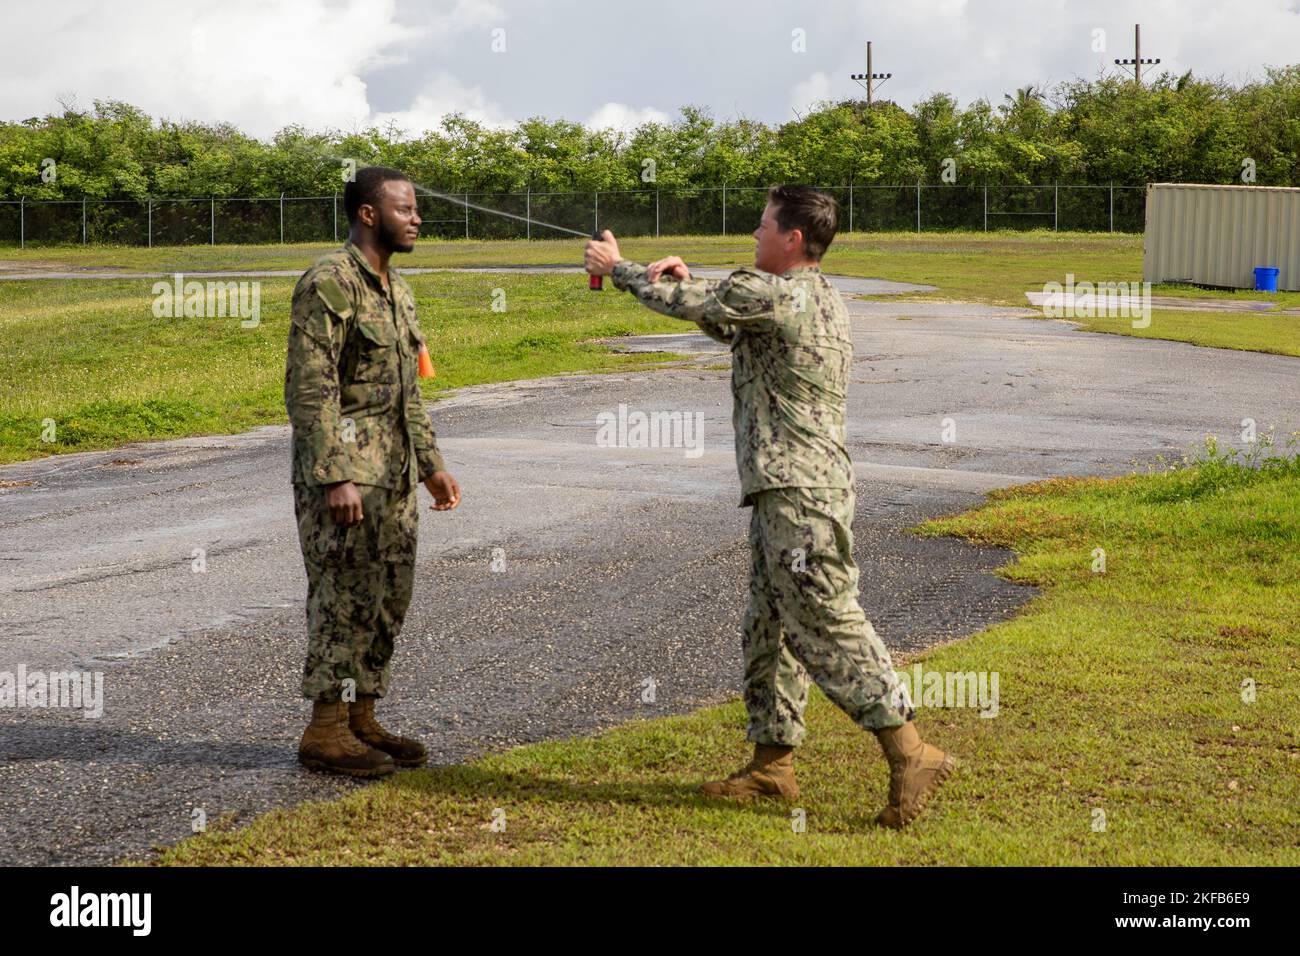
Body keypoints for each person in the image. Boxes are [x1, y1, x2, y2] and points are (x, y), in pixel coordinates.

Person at [584, 185, 955, 827]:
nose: (754, 237)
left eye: (762, 228)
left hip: (800, 493)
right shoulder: (806, 297)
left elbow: (699, 301)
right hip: (786, 488)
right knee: (770, 627)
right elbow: (723, 314)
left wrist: (617, 268)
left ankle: (909, 749)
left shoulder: (783, 292)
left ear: (791, 240)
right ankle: (771, 765)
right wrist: (684, 281)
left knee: (824, 618)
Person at [284, 165, 461, 777]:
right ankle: (325, 728)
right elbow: (311, 388)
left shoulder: (397, 289)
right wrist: (334, 474)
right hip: (348, 475)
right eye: (405, 209)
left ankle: (363, 717)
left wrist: (431, 464)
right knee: (340, 596)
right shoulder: (329, 282)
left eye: (415, 209)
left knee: (387, 596)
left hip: (395, 473)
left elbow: (410, 391)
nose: (416, 218)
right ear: (368, 214)